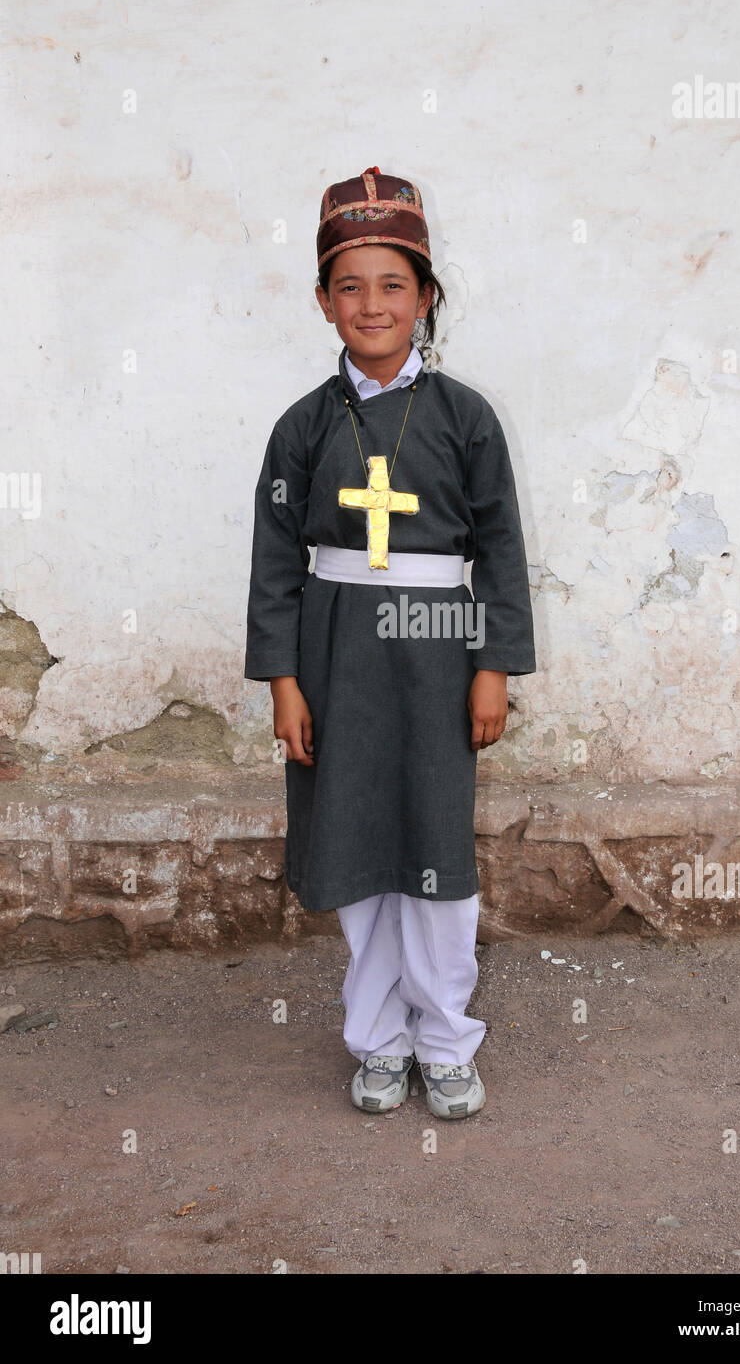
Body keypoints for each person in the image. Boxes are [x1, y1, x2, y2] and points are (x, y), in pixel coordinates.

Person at [244, 166, 535, 1119]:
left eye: (393, 285)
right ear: (323, 300)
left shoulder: (464, 418)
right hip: (335, 652)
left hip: (438, 646)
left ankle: (445, 1040)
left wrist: (492, 666)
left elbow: (498, 550)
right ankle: (377, 1038)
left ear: (426, 296)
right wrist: (284, 682)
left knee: (436, 847)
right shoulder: (300, 428)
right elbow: (276, 563)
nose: (372, 304)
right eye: (350, 286)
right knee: (357, 845)